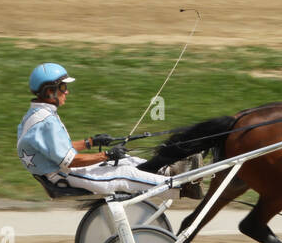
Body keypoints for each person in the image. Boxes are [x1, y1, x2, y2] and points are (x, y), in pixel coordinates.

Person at [17, 62, 176, 197]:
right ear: (49, 91)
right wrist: (106, 155)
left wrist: (91, 142)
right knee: (124, 175)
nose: (67, 92)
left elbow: (57, 148)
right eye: (63, 87)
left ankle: (168, 171)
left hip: (63, 170)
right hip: (64, 176)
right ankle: (179, 187)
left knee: (125, 160)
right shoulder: (46, 122)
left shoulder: (38, 114)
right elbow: (70, 161)